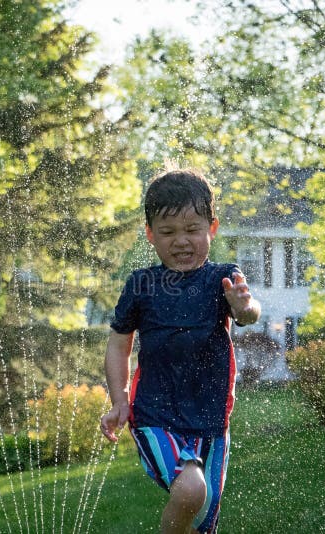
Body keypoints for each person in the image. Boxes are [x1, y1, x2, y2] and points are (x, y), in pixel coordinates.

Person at [100, 168, 260, 534]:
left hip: (212, 420)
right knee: (190, 489)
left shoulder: (223, 277)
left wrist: (243, 305)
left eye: (192, 230)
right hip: (155, 415)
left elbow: (249, 313)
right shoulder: (141, 284)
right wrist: (120, 398)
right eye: (169, 232)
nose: (182, 241)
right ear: (150, 234)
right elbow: (118, 343)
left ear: (212, 228)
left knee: (203, 524)